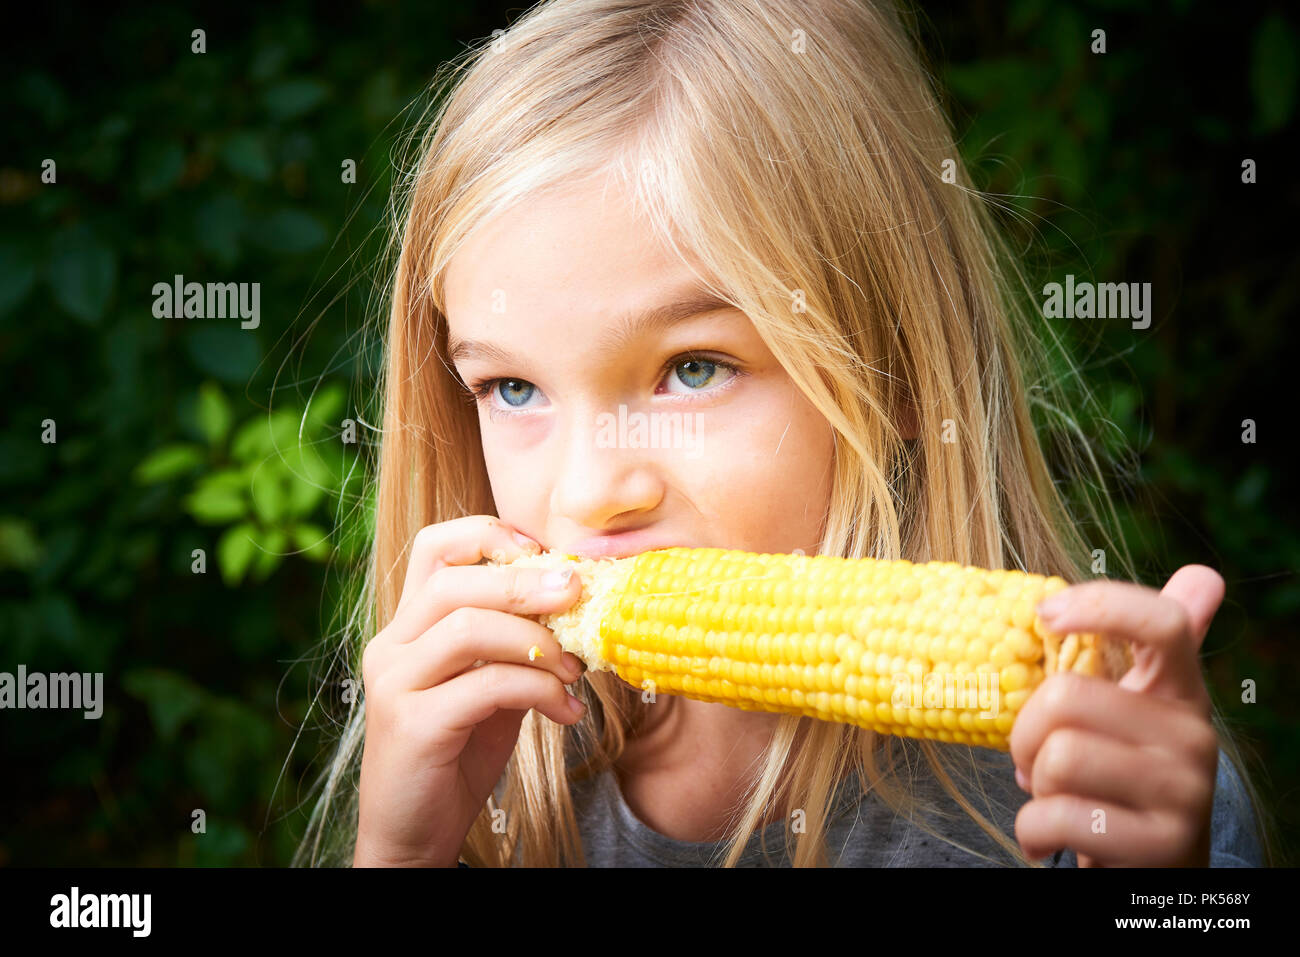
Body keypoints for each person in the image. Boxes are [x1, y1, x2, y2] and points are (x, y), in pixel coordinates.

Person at [293, 0, 1271, 867]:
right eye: (512, 387)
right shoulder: (476, 783)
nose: (586, 492)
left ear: (892, 368)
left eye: (693, 369)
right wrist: (399, 852)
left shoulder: (1101, 787)